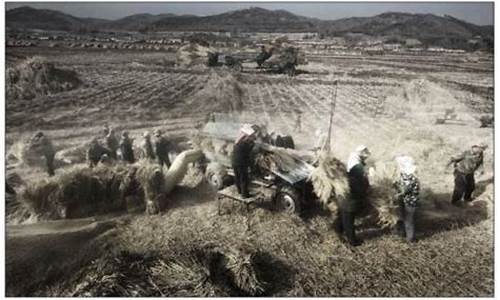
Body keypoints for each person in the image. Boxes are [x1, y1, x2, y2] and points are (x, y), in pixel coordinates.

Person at [336, 145, 371, 246]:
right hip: (349, 202)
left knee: (342, 216)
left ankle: (338, 229)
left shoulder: (350, 171)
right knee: (349, 222)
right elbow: (361, 189)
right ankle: (352, 241)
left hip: (343, 198)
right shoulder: (357, 179)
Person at [393, 156, 420, 243]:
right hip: (404, 200)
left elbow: (404, 190)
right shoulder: (404, 176)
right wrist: (395, 184)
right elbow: (399, 183)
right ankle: (403, 233)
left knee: (409, 220)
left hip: (410, 202)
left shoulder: (412, 179)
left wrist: (396, 188)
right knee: (403, 217)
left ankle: (410, 238)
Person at [232, 124, 257, 198]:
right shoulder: (244, 144)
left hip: (234, 162)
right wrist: (253, 144)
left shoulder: (237, 143)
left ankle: (239, 191)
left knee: (237, 177)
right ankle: (245, 195)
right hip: (241, 163)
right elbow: (248, 152)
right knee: (244, 178)